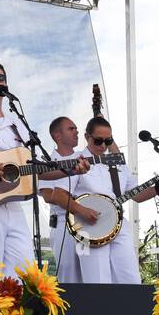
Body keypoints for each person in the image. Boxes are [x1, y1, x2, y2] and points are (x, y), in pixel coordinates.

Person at [0, 62, 85, 273]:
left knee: (23, 272)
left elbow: (36, 169)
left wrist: (71, 168)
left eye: (0, 78)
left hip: (12, 203)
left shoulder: (16, 124)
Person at [68, 117, 159, 284]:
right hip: (88, 226)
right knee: (98, 282)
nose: (103, 146)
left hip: (118, 223)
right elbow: (62, 195)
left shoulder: (117, 162)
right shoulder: (75, 160)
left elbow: (136, 195)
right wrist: (82, 211)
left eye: (108, 141)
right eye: (98, 140)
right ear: (87, 137)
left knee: (131, 279)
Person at [38, 116, 99, 283]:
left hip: (85, 222)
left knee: (91, 273)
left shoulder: (84, 157)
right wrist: (63, 196)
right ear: (57, 135)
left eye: (76, 128)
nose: (76, 131)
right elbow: (47, 196)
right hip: (62, 223)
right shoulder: (46, 163)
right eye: (71, 129)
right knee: (68, 277)